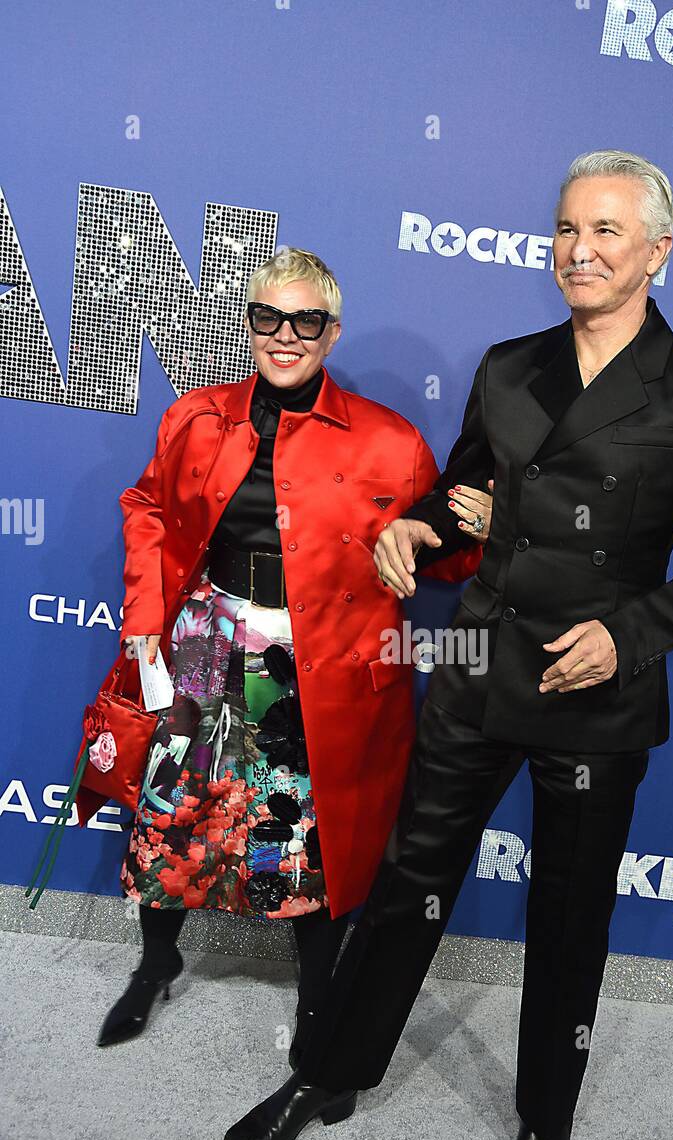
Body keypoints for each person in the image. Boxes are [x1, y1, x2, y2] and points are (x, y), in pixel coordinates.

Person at [222, 151, 673, 1140]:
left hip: (596, 686)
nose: (579, 248)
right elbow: (466, 482)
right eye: (567, 227)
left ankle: (543, 1120)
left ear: (658, 251)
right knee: (404, 886)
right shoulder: (511, 366)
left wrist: (634, 635)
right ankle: (328, 1074)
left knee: (567, 917)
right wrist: (417, 524)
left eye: (607, 230)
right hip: (477, 659)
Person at [79, 246, 490, 1052]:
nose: (286, 336)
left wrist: (475, 520)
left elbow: (447, 557)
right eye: (270, 318)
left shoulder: (390, 440)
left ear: (331, 333)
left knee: (299, 831)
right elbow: (149, 509)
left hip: (317, 661)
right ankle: (155, 965)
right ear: (249, 324)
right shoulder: (195, 416)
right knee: (172, 811)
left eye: (306, 321)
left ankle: (318, 1002)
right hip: (204, 638)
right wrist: (144, 613)